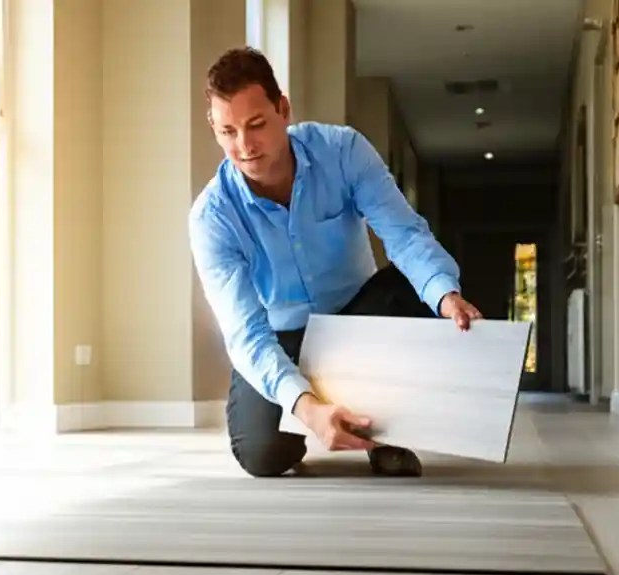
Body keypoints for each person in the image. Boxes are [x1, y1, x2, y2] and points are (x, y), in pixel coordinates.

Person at [188, 47, 482, 478]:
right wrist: (306, 409)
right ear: (214, 128)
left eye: (256, 125)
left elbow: (404, 234)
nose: (245, 146)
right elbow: (245, 333)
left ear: (283, 109)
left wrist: (446, 296)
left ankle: (384, 434)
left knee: (421, 290)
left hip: (357, 318)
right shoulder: (212, 217)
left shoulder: (343, 151)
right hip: (281, 335)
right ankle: (317, 415)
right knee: (262, 456)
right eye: (228, 132)